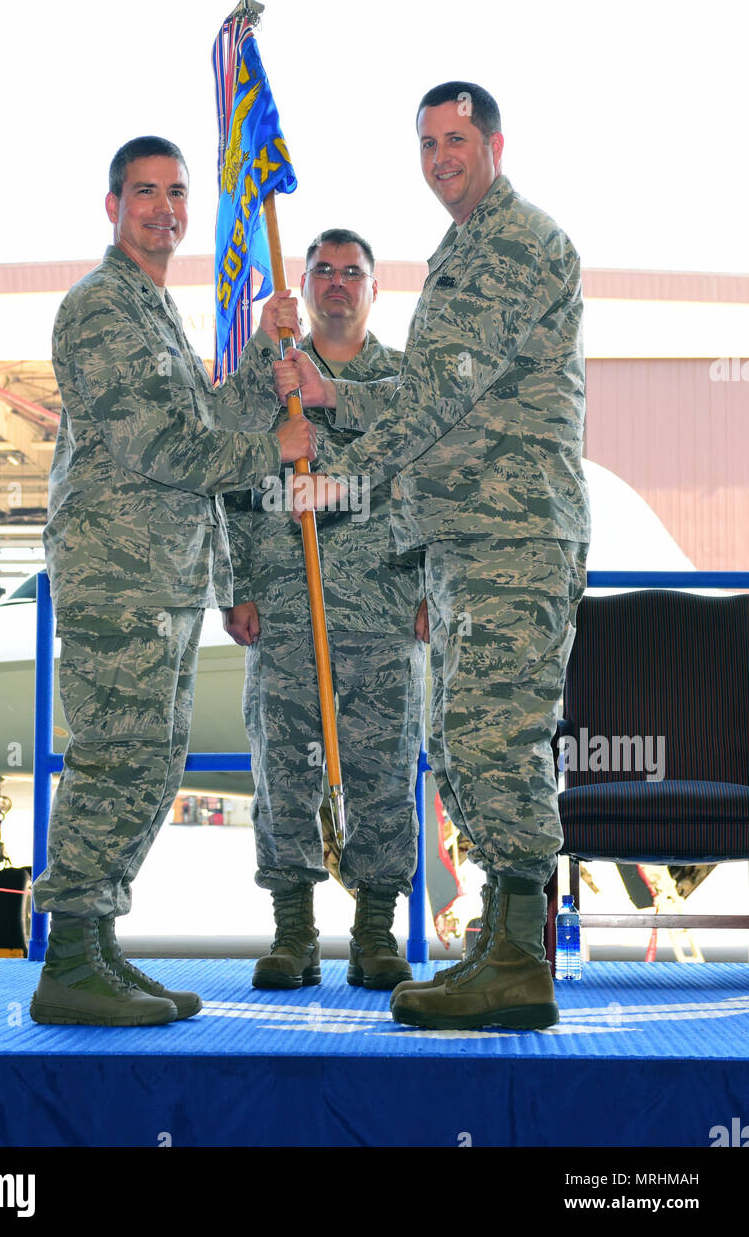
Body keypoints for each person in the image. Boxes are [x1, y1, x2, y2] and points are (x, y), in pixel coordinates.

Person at [277, 84, 590, 1030]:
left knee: (498, 735)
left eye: (456, 139)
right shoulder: (463, 248)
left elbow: (438, 400)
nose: (440, 156)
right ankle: (498, 946)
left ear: (494, 143)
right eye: (427, 142)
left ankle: (520, 963)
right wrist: (331, 398)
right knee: (462, 738)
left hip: (513, 533)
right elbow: (432, 389)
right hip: (465, 536)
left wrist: (338, 471)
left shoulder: (514, 242)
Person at [30, 136, 316, 1026]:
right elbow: (155, 446)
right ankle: (69, 959)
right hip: (116, 576)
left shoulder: (153, 310)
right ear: (111, 205)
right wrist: (271, 447)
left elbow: (198, 423)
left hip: (162, 578)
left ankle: (98, 946)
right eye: (145, 192)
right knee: (118, 756)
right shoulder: (100, 308)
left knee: (152, 759)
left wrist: (269, 372)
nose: (165, 209)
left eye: (177, 193)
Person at [222, 230, 427, 991]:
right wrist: (235, 586)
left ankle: (375, 931)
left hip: (381, 609)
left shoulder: (405, 385)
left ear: (375, 289)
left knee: (381, 765)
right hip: (283, 608)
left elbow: (427, 491)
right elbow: (235, 487)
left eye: (352, 273)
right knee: (284, 768)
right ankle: (292, 932)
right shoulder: (270, 375)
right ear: (302, 287)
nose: (337, 284)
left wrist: (427, 591)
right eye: (323, 273)